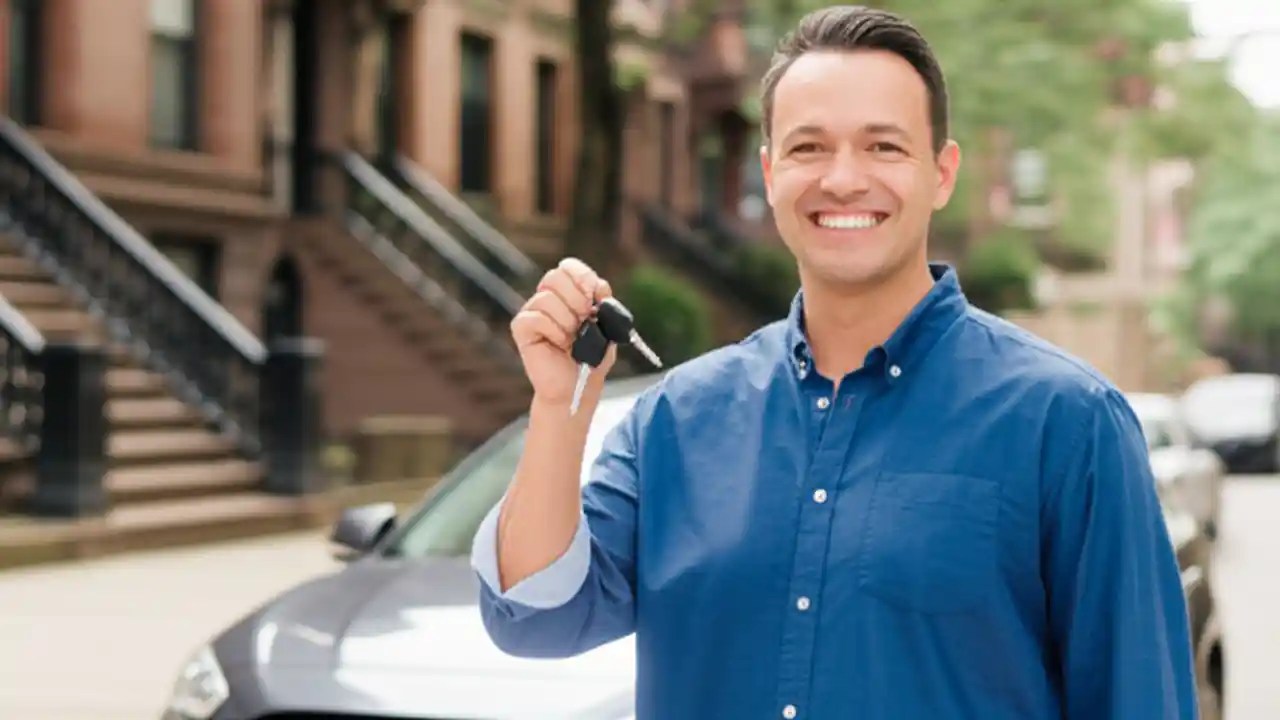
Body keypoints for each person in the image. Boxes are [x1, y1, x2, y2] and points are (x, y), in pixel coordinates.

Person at [470, 5, 1198, 719]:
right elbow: (535, 619)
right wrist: (556, 409)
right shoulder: (676, 419)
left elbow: (1137, 697)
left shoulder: (1068, 424)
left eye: (883, 147)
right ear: (770, 171)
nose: (843, 179)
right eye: (809, 147)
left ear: (942, 174)